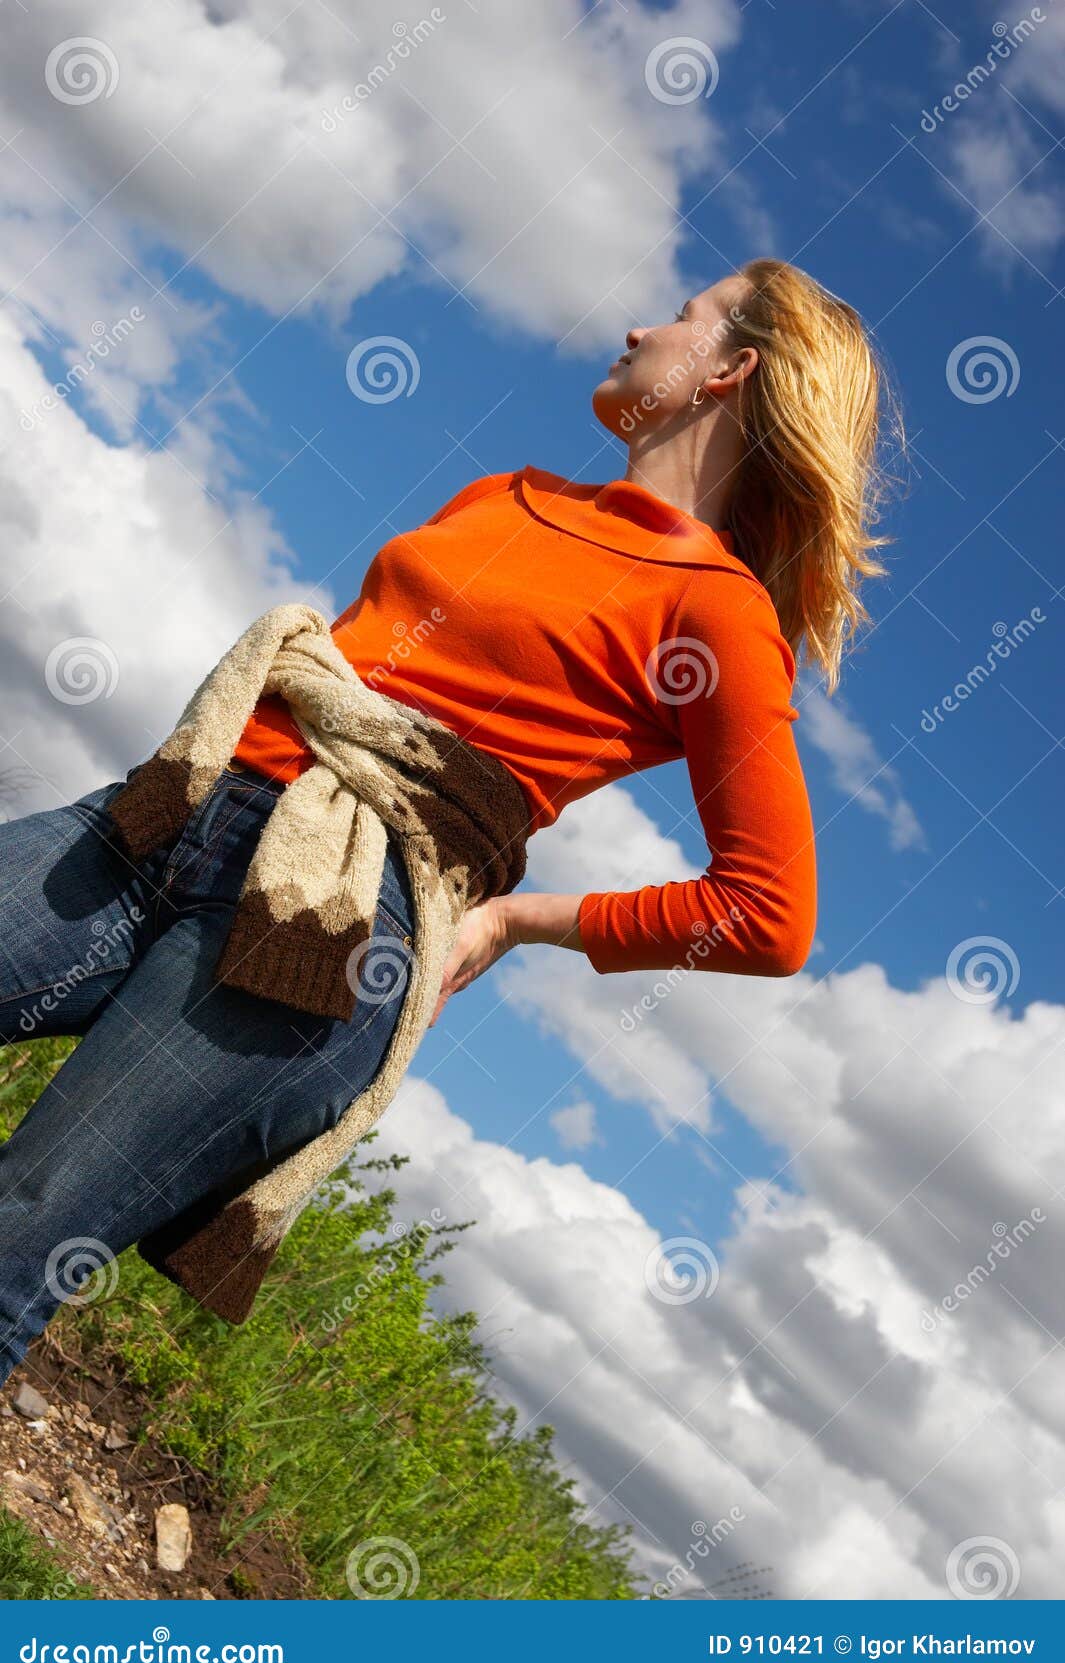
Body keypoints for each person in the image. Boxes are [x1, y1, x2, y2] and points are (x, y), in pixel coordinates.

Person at [0, 258, 892, 1383]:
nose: (639, 323)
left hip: (331, 922)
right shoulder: (502, 496)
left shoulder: (715, 612)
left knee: (17, 1239)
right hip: (180, 809)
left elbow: (769, 912)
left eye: (684, 315)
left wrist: (518, 920)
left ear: (731, 369)